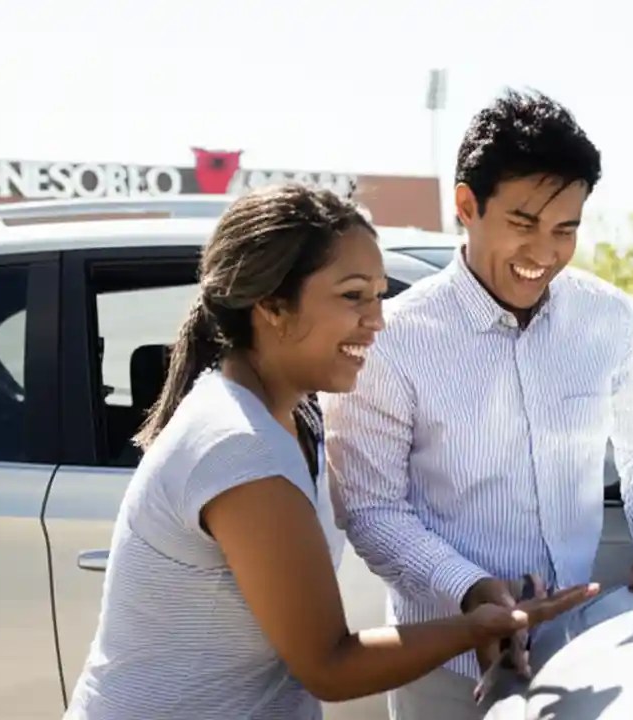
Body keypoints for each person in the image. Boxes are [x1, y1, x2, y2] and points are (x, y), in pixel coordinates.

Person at [62, 184, 597, 720]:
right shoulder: (239, 447)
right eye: (353, 296)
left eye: (380, 294)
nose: (377, 320)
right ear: (272, 305)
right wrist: (478, 627)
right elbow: (329, 665)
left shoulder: (289, 415)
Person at [321, 89, 633, 719]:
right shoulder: (391, 342)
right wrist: (472, 594)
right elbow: (371, 511)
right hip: (446, 672)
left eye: (566, 230)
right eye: (523, 223)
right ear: (466, 206)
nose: (544, 253)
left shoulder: (606, 318)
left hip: (583, 652)